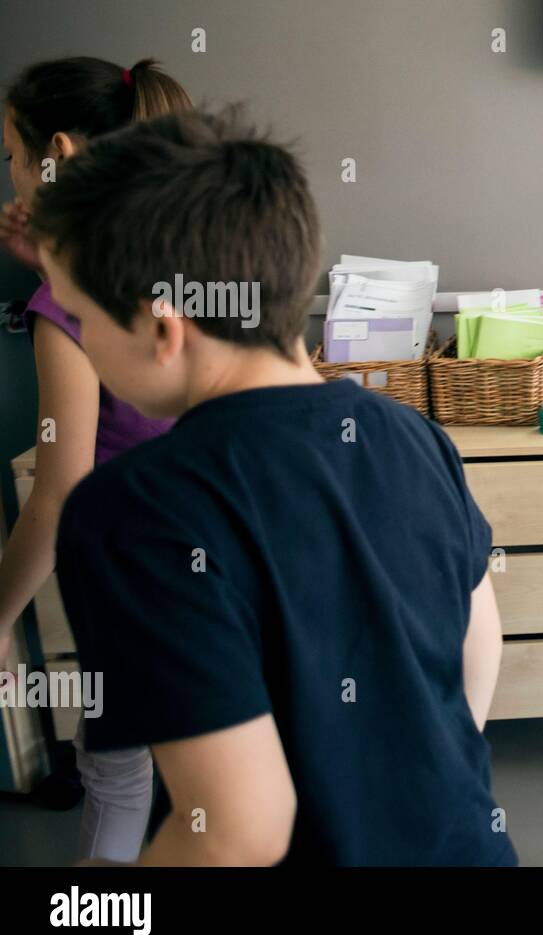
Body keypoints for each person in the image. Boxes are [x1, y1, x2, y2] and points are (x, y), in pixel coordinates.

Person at [29, 106, 517, 865]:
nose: (80, 341)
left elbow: (236, 830)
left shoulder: (130, 509)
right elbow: (479, 644)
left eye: (82, 318)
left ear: (164, 329)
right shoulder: (412, 436)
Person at [0, 56, 191, 862]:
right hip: (221, 558)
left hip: (135, 576)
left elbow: (60, 492)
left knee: (115, 777)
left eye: (11, 156)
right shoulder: (196, 252)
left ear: (61, 154)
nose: (8, 177)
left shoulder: (64, 312)